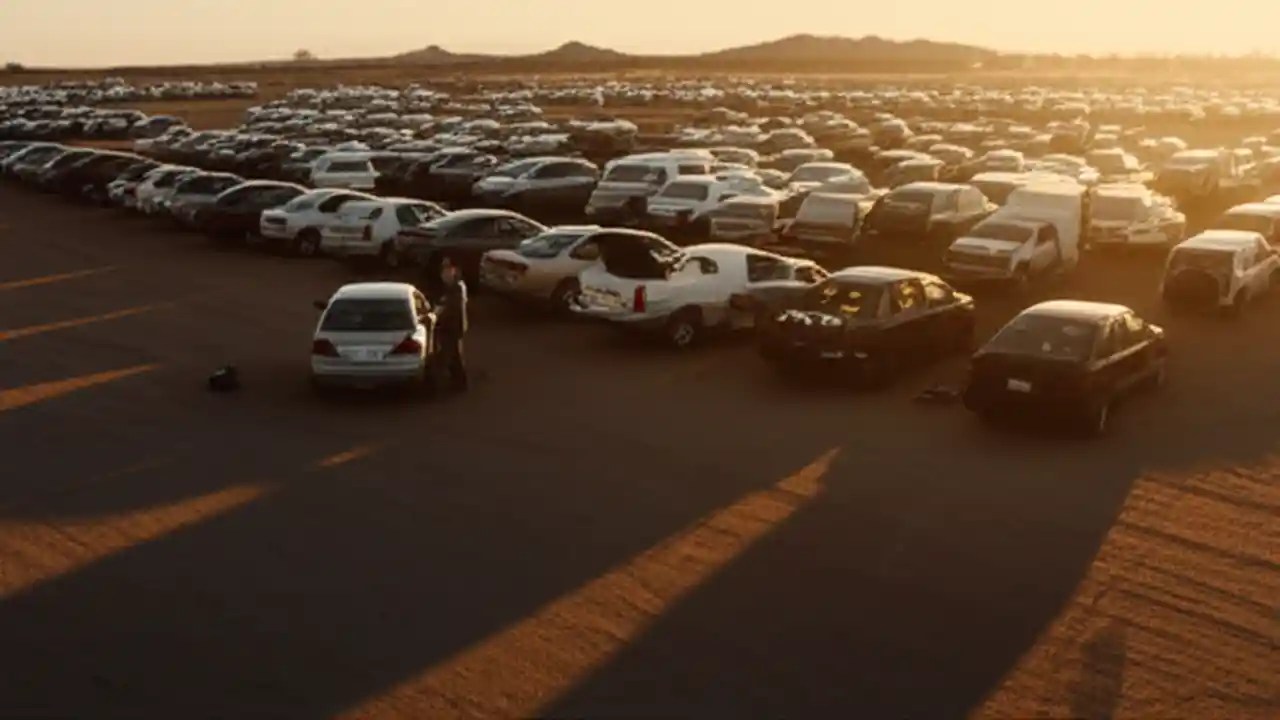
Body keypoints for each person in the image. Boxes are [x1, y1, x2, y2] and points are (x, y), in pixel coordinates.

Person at [435, 256, 469, 392]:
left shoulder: (456, 288)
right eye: (444, 269)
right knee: (454, 357)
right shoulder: (452, 287)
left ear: (454, 270)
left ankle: (445, 386)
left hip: (453, 328)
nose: (445, 273)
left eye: (448, 269)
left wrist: (438, 312)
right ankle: (459, 384)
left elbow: (451, 307)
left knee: (446, 357)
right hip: (452, 327)